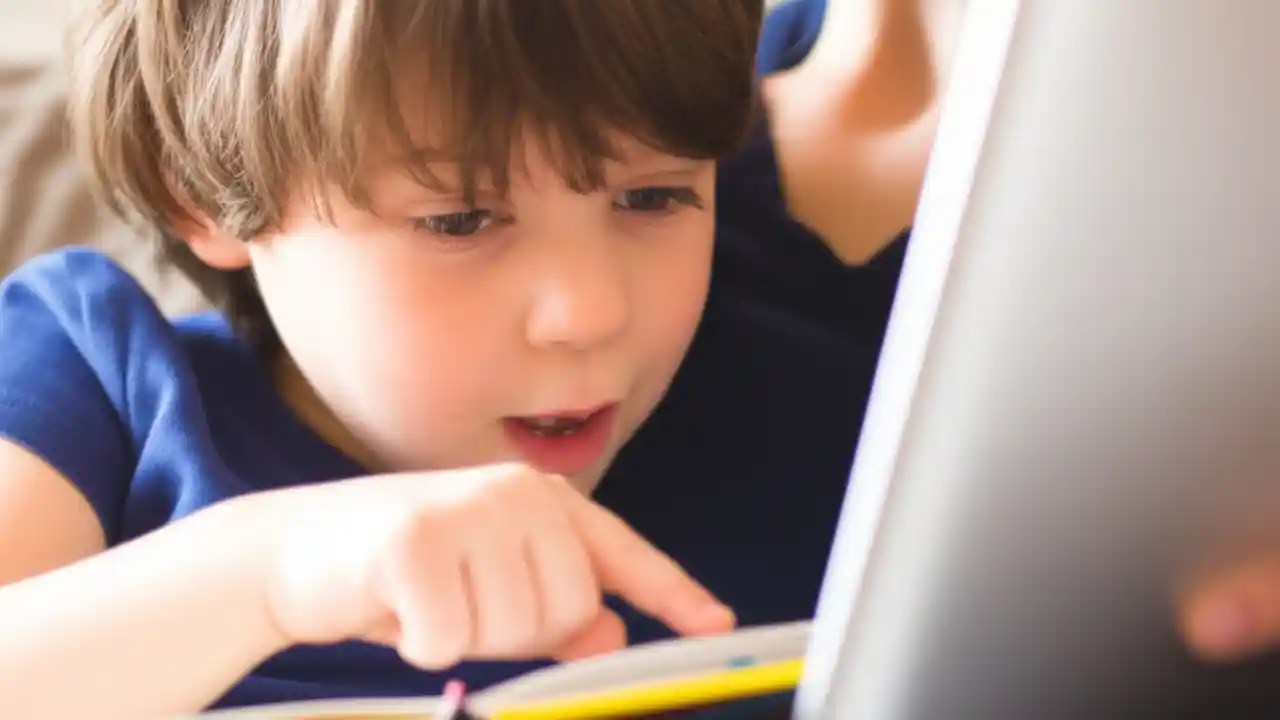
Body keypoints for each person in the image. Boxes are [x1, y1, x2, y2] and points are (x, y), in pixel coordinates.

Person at [0, 0, 932, 716]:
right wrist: (272, 575)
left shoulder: (818, 422)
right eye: (460, 219)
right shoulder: (98, 377)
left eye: (653, 200)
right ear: (202, 191)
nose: (588, 314)